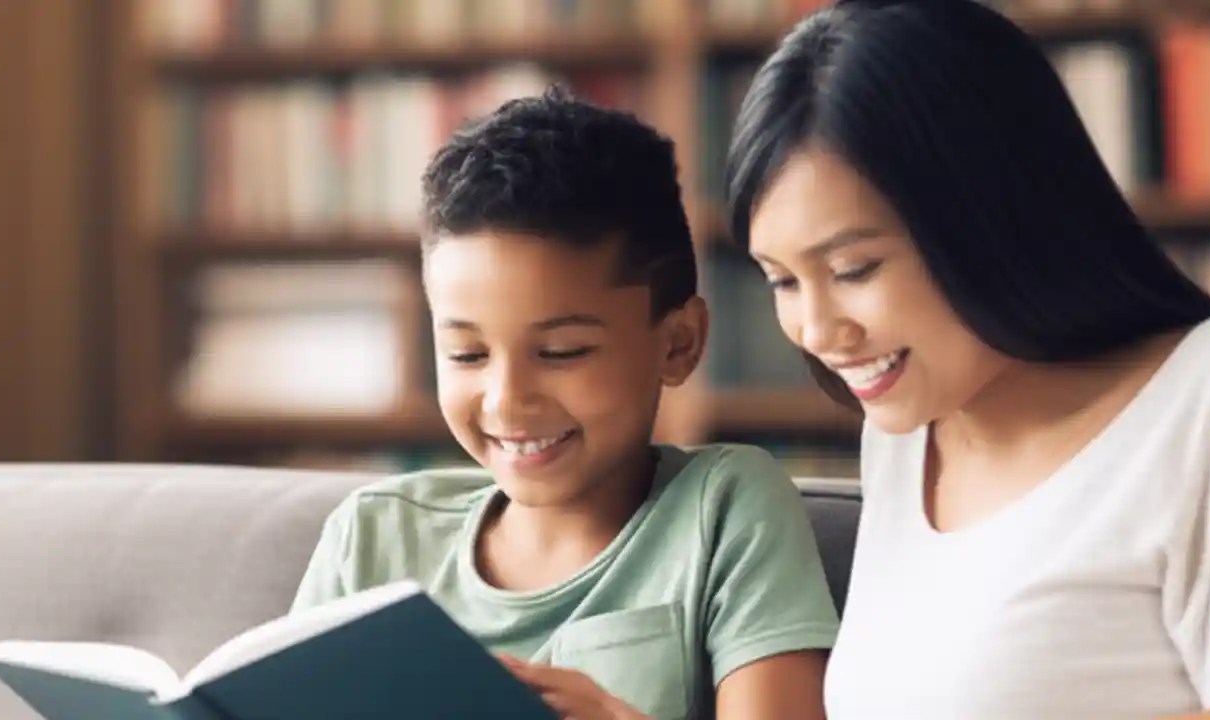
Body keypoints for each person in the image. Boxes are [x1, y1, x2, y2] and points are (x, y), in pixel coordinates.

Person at [725, 0, 1210, 717]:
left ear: (992, 214)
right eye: (781, 281)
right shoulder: (905, 434)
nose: (818, 331)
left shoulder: (1204, 400)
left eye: (854, 269)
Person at [292, 88, 839, 719]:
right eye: (467, 354)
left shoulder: (724, 510)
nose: (506, 401)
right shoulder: (370, 538)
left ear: (678, 343)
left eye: (561, 352)